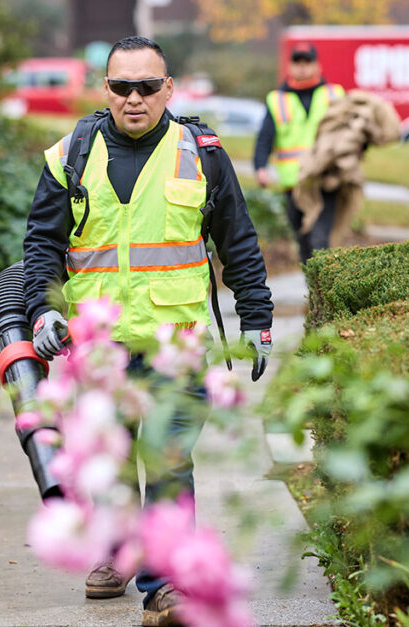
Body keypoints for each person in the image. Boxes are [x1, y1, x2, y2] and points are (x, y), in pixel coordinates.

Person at [22, 36, 274, 627]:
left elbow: (237, 241)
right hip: (98, 346)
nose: (134, 99)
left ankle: (165, 583)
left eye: (147, 86)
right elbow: (42, 247)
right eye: (121, 86)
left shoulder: (202, 153)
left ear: (169, 88)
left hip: (176, 344)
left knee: (166, 458)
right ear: (105, 88)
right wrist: (43, 309)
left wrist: (257, 319)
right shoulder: (69, 156)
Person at [254, 41, 346, 263]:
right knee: (302, 237)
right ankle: (313, 286)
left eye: (308, 62)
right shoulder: (277, 99)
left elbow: (350, 131)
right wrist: (260, 167)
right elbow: (265, 136)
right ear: (290, 66)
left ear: (317, 65)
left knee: (319, 237)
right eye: (298, 62)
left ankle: (320, 289)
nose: (303, 67)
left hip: (324, 179)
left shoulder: (334, 94)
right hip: (293, 184)